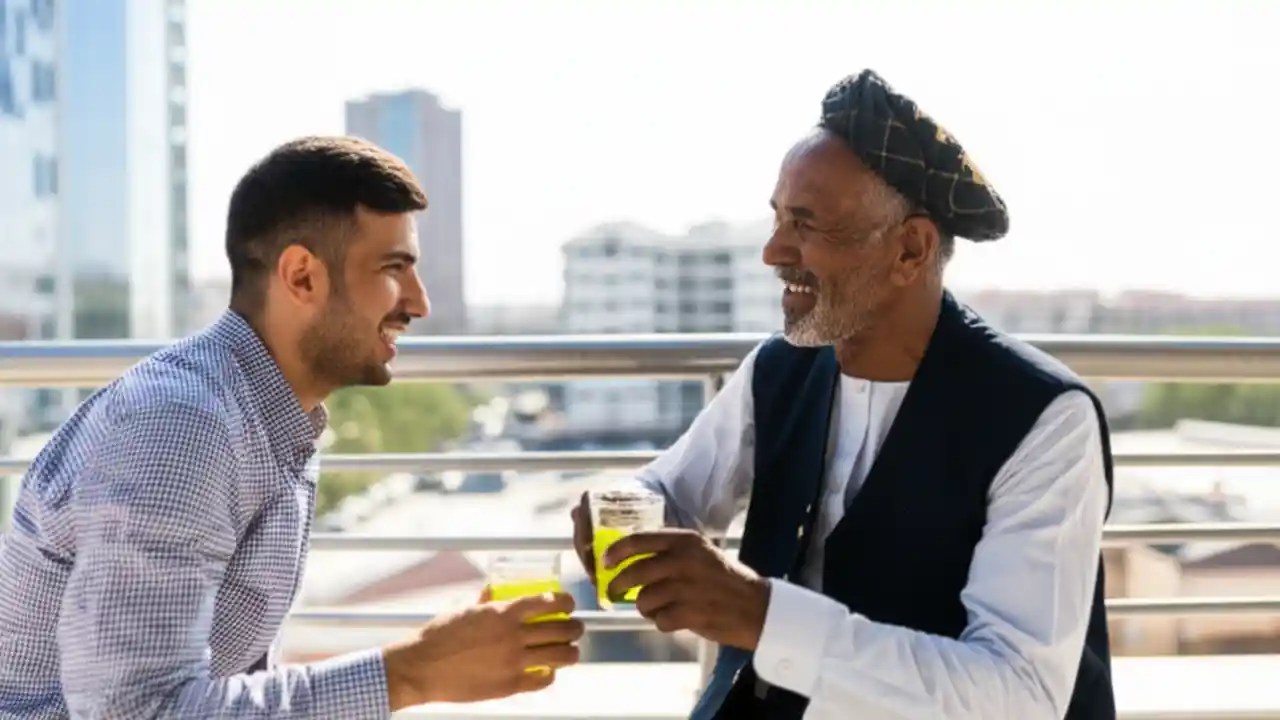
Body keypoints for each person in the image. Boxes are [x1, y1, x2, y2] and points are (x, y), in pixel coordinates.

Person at [572, 70, 1114, 719]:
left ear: (910, 249)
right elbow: (676, 493)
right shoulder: (780, 369)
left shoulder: (1044, 419)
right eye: (777, 218)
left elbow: (1018, 697)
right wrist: (631, 510)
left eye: (806, 224)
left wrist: (763, 615)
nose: (773, 251)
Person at [0, 136, 583, 719]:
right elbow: (137, 712)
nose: (419, 302)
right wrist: (412, 673)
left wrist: (448, 658)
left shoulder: (273, 414)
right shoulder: (181, 427)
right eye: (393, 268)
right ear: (302, 277)